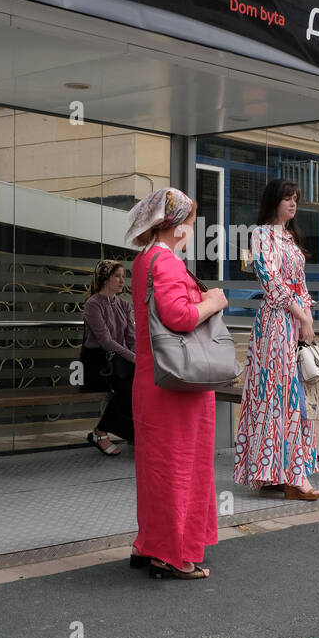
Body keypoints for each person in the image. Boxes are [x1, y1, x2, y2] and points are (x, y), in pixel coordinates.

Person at [126, 188, 229, 579]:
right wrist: (215, 301)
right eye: (189, 223)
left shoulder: (143, 261)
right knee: (179, 469)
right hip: (177, 387)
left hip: (153, 380)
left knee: (156, 468)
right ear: (176, 225)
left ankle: (150, 544)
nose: (192, 230)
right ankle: (172, 555)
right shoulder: (165, 262)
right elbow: (181, 317)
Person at [233, 179, 319, 500]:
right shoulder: (260, 235)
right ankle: (289, 478)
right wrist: (301, 314)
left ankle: (281, 472)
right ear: (274, 202)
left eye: (296, 199)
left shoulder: (289, 237)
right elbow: (269, 280)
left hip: (293, 323)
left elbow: (300, 283)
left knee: (293, 397)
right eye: (287, 198)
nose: (293, 204)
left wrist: (306, 316)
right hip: (274, 324)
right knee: (275, 396)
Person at [80, 259, 135, 455]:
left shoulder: (124, 304)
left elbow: (131, 337)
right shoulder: (93, 304)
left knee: (141, 384)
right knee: (127, 388)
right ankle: (101, 432)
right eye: (117, 277)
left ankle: (134, 433)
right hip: (98, 363)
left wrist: (137, 356)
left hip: (119, 362)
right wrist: (132, 358)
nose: (122, 281)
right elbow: (105, 340)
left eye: (123, 277)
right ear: (105, 279)